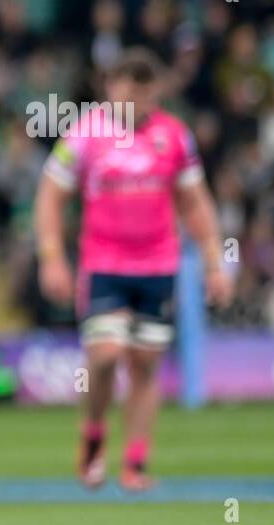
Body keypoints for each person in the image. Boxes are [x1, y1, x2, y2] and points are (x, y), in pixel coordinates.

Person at [34, 48, 231, 490]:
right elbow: (50, 196)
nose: (137, 100)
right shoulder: (84, 135)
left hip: (159, 265)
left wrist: (215, 262)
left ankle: (135, 462)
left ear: (156, 91)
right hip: (104, 264)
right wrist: (51, 257)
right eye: (128, 89)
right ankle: (94, 434)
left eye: (145, 91)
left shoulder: (175, 136)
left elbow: (195, 203)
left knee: (145, 363)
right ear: (110, 89)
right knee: (104, 356)